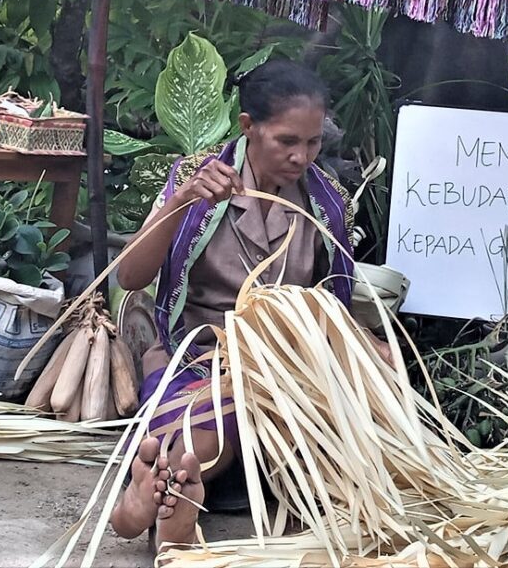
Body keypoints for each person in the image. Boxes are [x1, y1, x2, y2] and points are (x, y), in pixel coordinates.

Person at [108, 59, 360, 548]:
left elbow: (332, 303)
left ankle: (151, 502)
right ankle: (166, 507)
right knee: (217, 421)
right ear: (248, 127)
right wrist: (181, 202)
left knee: (307, 417)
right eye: (287, 141)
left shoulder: (326, 202)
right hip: (199, 355)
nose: (301, 157)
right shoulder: (195, 180)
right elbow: (129, 276)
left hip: (286, 367)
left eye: (312, 143)